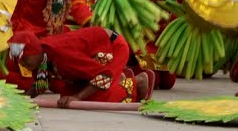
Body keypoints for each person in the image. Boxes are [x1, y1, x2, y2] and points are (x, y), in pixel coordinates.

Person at [15, 27, 150, 106]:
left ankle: (138, 82)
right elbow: (42, 83)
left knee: (91, 98)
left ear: (36, 51)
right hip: (95, 56)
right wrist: (23, 100)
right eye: (19, 61)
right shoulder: (42, 54)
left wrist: (78, 97)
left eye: (25, 59)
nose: (23, 64)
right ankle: (119, 78)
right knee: (66, 97)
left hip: (114, 47)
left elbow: (104, 75)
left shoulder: (62, 54)